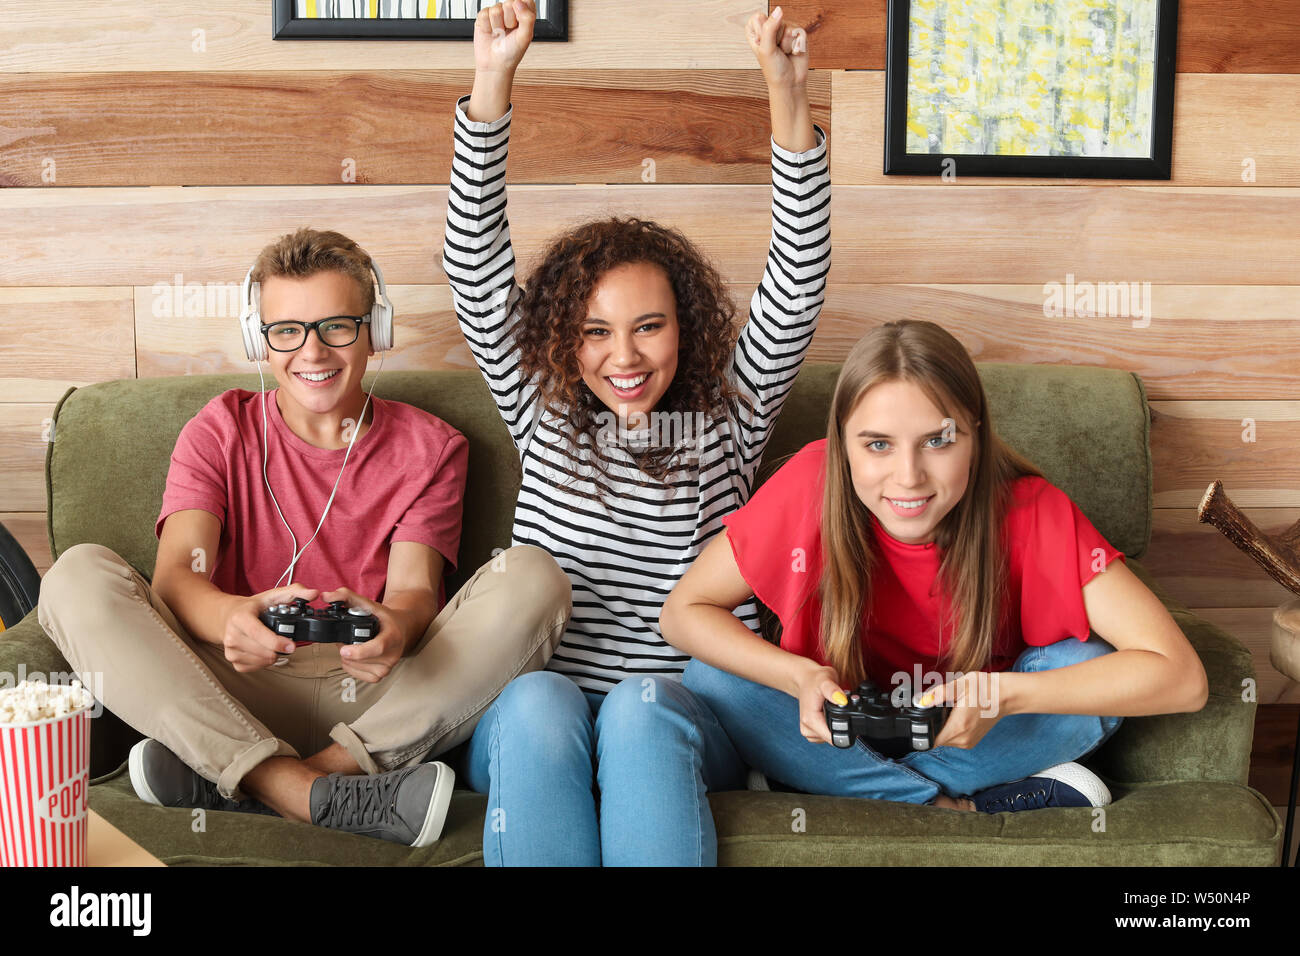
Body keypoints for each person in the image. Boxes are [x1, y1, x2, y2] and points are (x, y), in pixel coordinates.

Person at [440, 1, 830, 863]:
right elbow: (472, 265)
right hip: (543, 717)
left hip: (680, 715)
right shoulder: (542, 414)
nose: (624, 356)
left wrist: (782, 90)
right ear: (560, 341)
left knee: (639, 707)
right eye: (595, 331)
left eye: (648, 326)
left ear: (685, 328)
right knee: (542, 702)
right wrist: (493, 79)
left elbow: (798, 278)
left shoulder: (729, 416)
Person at [37, 227, 571, 848]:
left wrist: (393, 625)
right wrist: (231, 616)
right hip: (231, 686)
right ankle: (302, 788)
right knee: (76, 576)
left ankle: (268, 778)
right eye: (287, 330)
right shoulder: (218, 430)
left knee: (533, 574)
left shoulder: (432, 446)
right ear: (258, 341)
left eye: (336, 326)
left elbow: (414, 592)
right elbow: (178, 576)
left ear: (375, 331)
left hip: (379, 692)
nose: (311, 352)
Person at [661, 319, 1209, 813]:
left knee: (1087, 659)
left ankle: (835, 785)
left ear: (974, 434)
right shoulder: (811, 482)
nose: (908, 477)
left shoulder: (1032, 510)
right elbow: (684, 612)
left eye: (938, 441)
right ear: (843, 445)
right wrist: (797, 675)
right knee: (713, 678)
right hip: (845, 727)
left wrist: (1006, 697)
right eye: (877, 445)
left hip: (975, 731)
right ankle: (952, 806)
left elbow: (1182, 678)